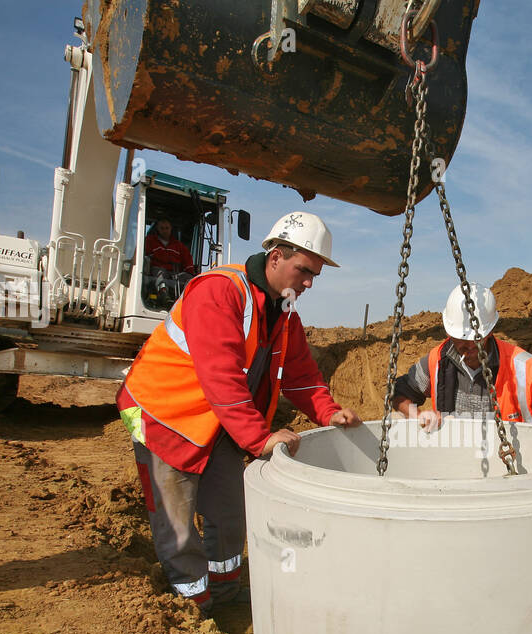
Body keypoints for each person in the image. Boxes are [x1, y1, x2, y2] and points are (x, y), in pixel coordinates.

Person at [118, 211, 361, 611]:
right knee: (177, 521)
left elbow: (301, 376)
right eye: (304, 270)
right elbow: (221, 376)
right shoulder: (218, 291)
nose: (309, 282)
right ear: (276, 256)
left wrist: (328, 412)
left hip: (217, 423)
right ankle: (191, 602)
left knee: (229, 514)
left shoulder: (284, 315)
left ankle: (226, 590)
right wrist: (260, 438)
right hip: (161, 415)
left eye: (315, 274)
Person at [390, 283, 532, 432]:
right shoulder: (437, 361)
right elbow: (398, 392)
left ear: (490, 332)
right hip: (456, 459)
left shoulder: (522, 367)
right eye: (462, 340)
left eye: (476, 339)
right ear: (449, 333)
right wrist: (417, 415)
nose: (470, 347)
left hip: (512, 463)